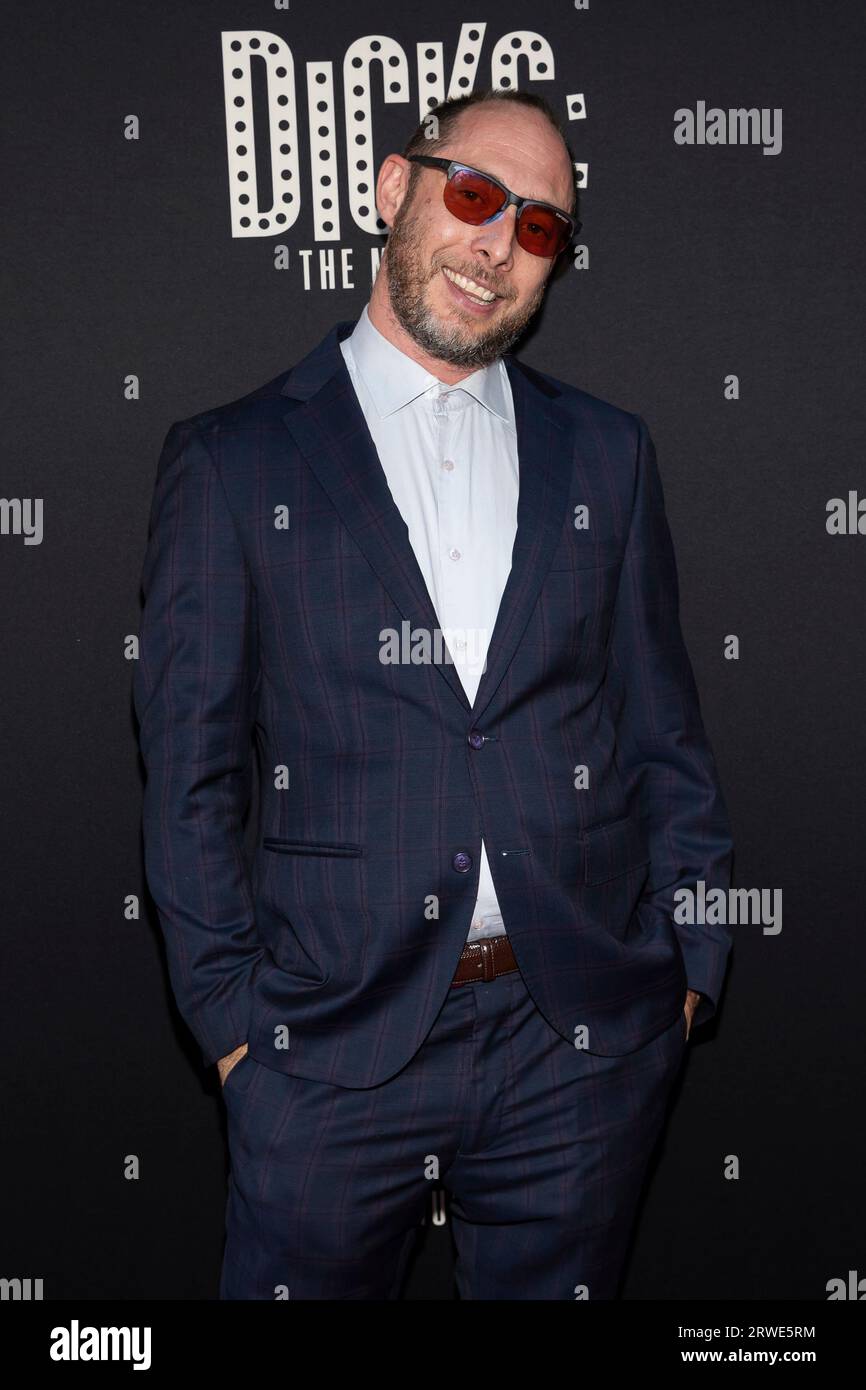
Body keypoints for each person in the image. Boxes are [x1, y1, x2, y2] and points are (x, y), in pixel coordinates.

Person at [133, 87, 734, 1300]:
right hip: (327, 1053)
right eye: (473, 196)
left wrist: (686, 967)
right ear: (392, 191)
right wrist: (238, 1034)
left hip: (578, 1044)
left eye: (539, 228)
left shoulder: (606, 454)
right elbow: (188, 773)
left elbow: (662, 731)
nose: (496, 244)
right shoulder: (234, 459)